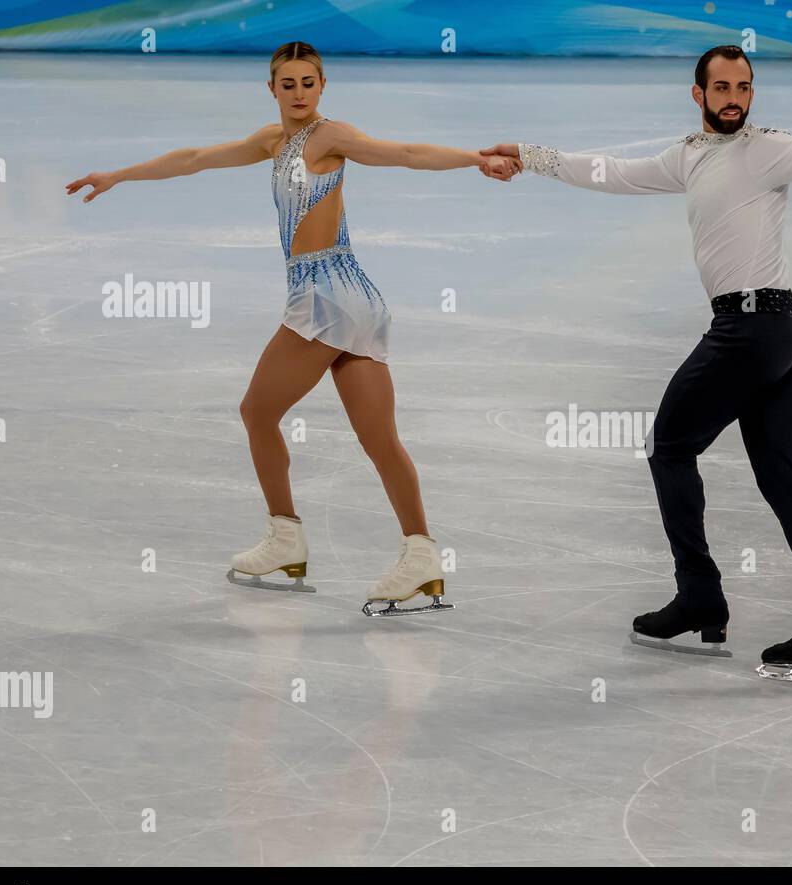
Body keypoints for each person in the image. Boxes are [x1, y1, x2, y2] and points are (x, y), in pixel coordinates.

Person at [481, 45, 792, 674]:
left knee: (670, 448)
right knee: (782, 479)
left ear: (752, 94)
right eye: (721, 87)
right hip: (781, 335)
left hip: (754, 332)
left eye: (743, 87)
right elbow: (612, 172)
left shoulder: (766, 147)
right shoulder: (691, 157)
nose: (733, 98)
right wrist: (530, 157)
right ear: (698, 94)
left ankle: (700, 597)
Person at [65, 40, 521, 615]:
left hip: (325, 295)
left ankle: (286, 538)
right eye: (289, 84)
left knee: (257, 413)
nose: (300, 93)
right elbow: (193, 159)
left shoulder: (329, 137)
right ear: (272, 88)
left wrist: (474, 159)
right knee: (379, 438)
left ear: (322, 87)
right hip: (355, 296)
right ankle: (421, 554)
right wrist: (119, 176)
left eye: (309, 83)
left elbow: (403, 152)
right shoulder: (271, 141)